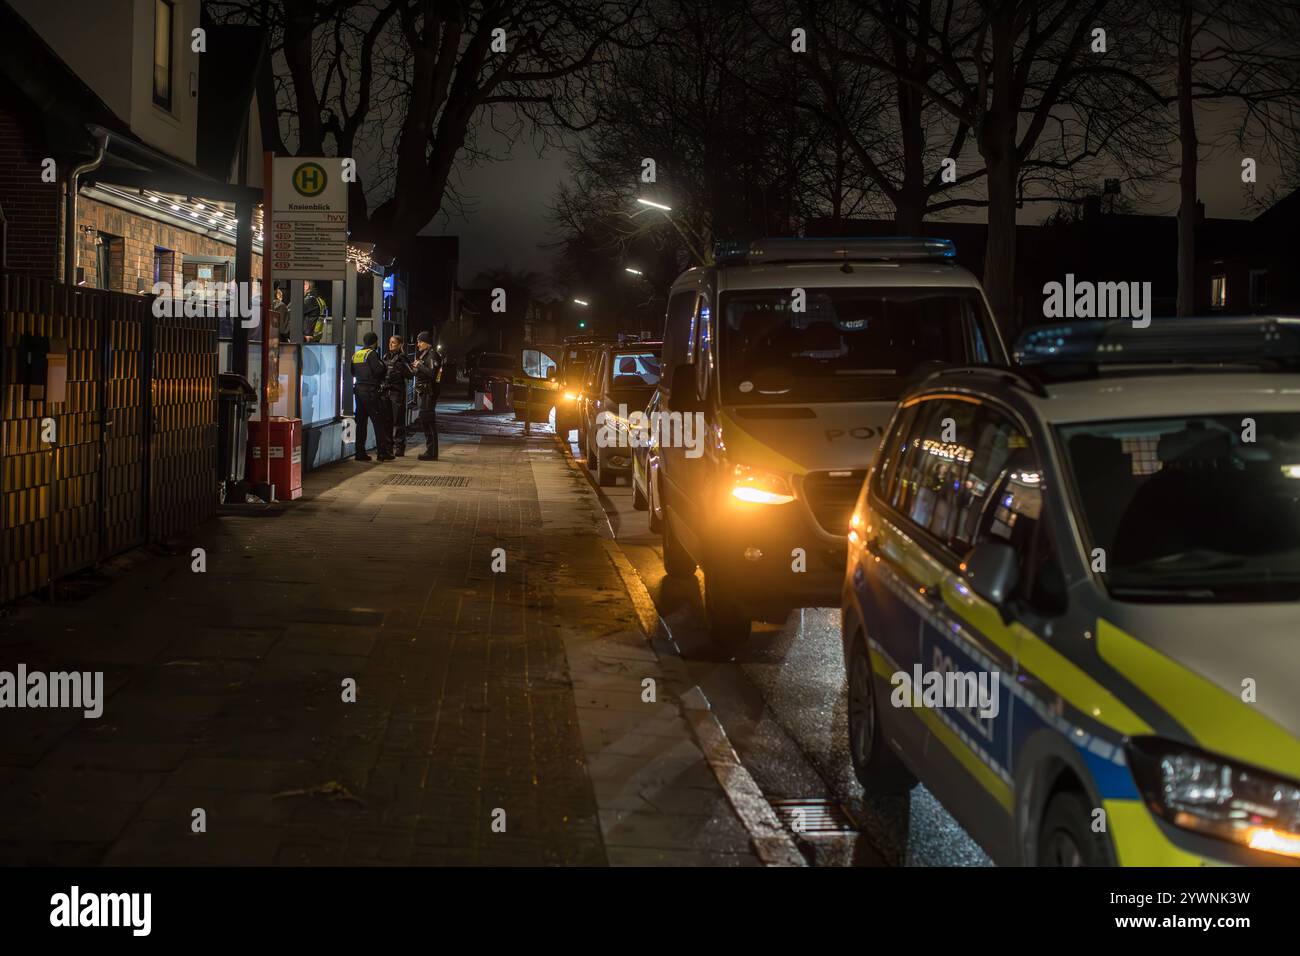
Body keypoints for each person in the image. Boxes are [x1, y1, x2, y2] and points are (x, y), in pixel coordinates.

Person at [351, 331, 393, 462]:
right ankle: (382, 453)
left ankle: (359, 453)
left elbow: (352, 372)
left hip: (358, 391)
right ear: (375, 342)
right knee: (378, 422)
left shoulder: (356, 354)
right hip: (370, 391)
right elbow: (379, 370)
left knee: (361, 423)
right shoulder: (372, 354)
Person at [381, 334, 412, 457]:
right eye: (390, 342)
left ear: (400, 345)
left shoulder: (402, 358)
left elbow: (410, 375)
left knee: (398, 421)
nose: (390, 344)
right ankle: (388, 446)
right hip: (386, 392)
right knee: (387, 421)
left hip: (397, 392)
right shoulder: (386, 356)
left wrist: (400, 371)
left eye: (393, 342)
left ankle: (400, 447)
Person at [412, 331, 441, 461]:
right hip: (424, 392)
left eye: (420, 342)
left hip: (428, 392)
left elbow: (432, 374)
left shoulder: (432, 355)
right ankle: (431, 450)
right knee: (426, 420)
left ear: (426, 342)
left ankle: (432, 452)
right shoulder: (425, 354)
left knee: (428, 420)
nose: (418, 344)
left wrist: (419, 366)